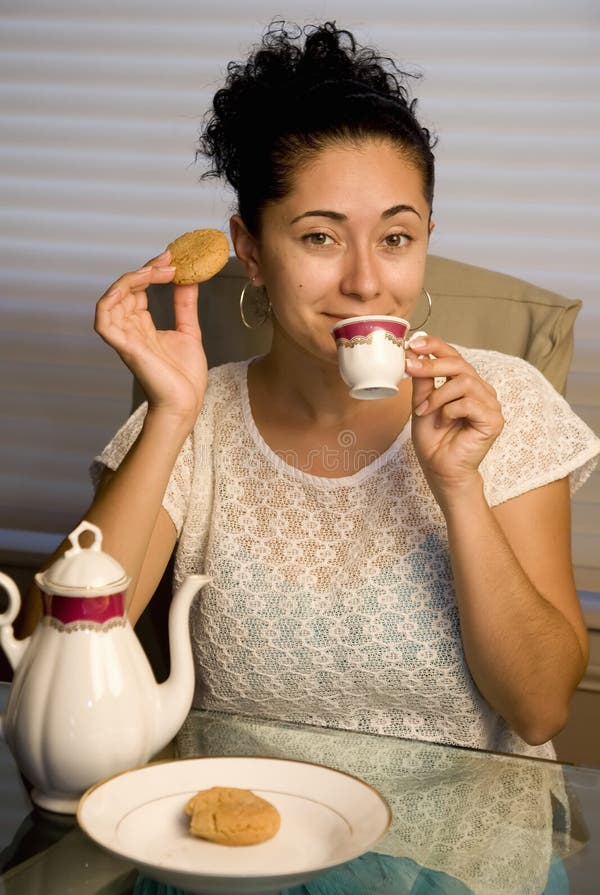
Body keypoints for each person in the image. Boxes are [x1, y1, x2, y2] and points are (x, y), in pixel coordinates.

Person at [27, 21, 600, 758]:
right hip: (242, 848)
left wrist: (459, 488)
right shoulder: (194, 420)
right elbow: (51, 658)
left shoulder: (502, 401)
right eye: (320, 237)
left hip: (456, 863)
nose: (366, 281)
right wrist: (170, 416)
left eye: (396, 238)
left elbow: (541, 709)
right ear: (251, 251)